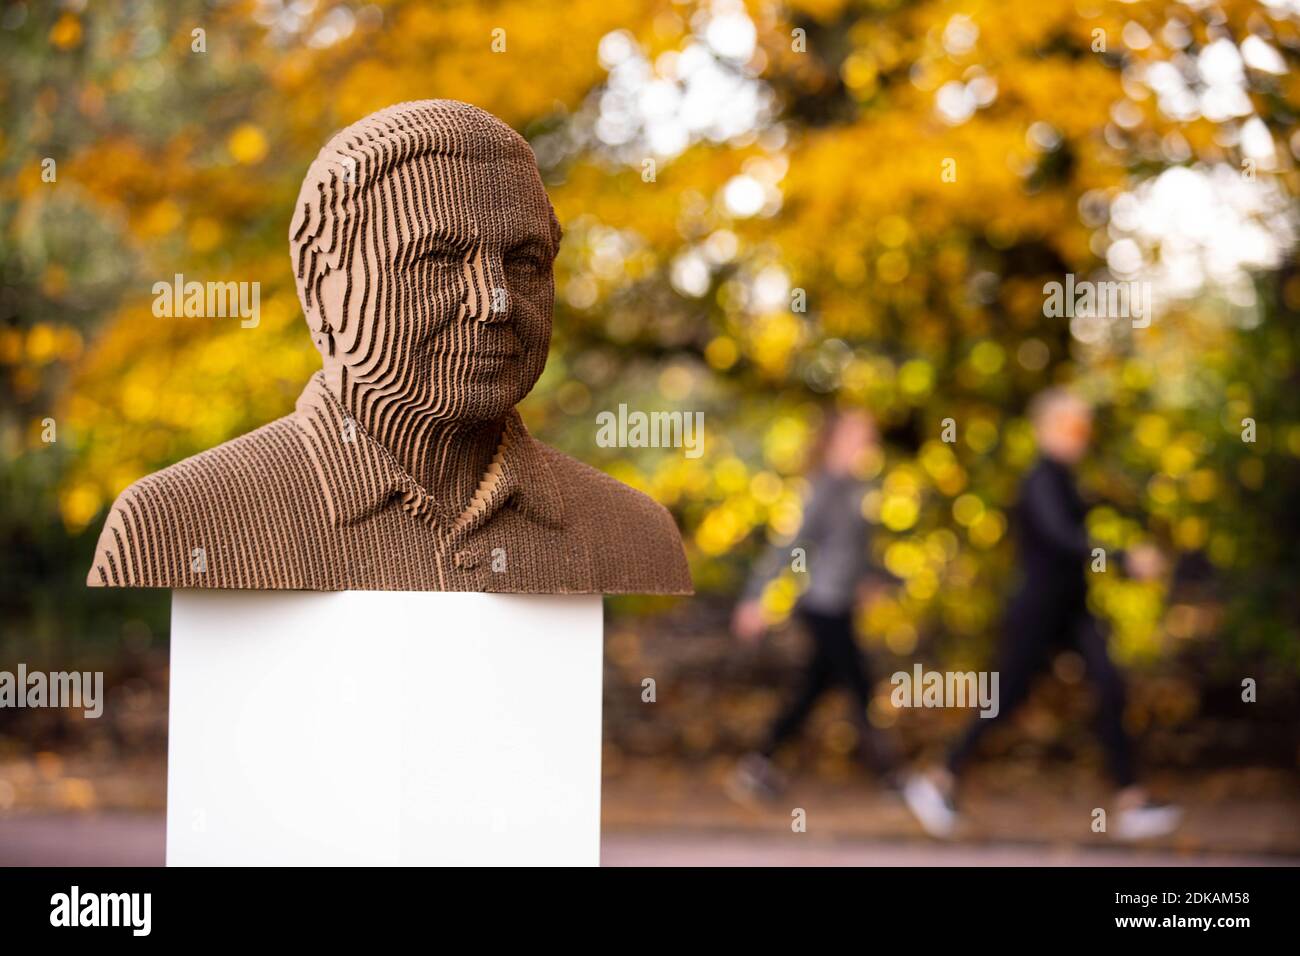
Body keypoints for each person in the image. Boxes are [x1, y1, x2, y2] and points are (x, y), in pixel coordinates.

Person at [902, 388, 1181, 840]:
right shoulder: (1040, 480)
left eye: (1084, 428)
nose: (1081, 437)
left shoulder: (1068, 479)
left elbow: (1088, 521)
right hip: (1037, 612)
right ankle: (938, 779)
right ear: (1047, 429)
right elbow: (1063, 539)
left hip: (1071, 609)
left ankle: (1131, 799)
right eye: (1072, 427)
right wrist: (1123, 558)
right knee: (1006, 698)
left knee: (1110, 685)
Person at [728, 408, 899, 802]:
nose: (868, 442)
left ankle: (758, 764)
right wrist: (756, 598)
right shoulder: (822, 488)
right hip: (823, 605)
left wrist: (871, 581)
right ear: (837, 438)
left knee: (814, 690)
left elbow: (854, 551)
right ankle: (893, 777)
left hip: (841, 603)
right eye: (859, 435)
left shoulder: (856, 487)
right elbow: (789, 547)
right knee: (860, 685)